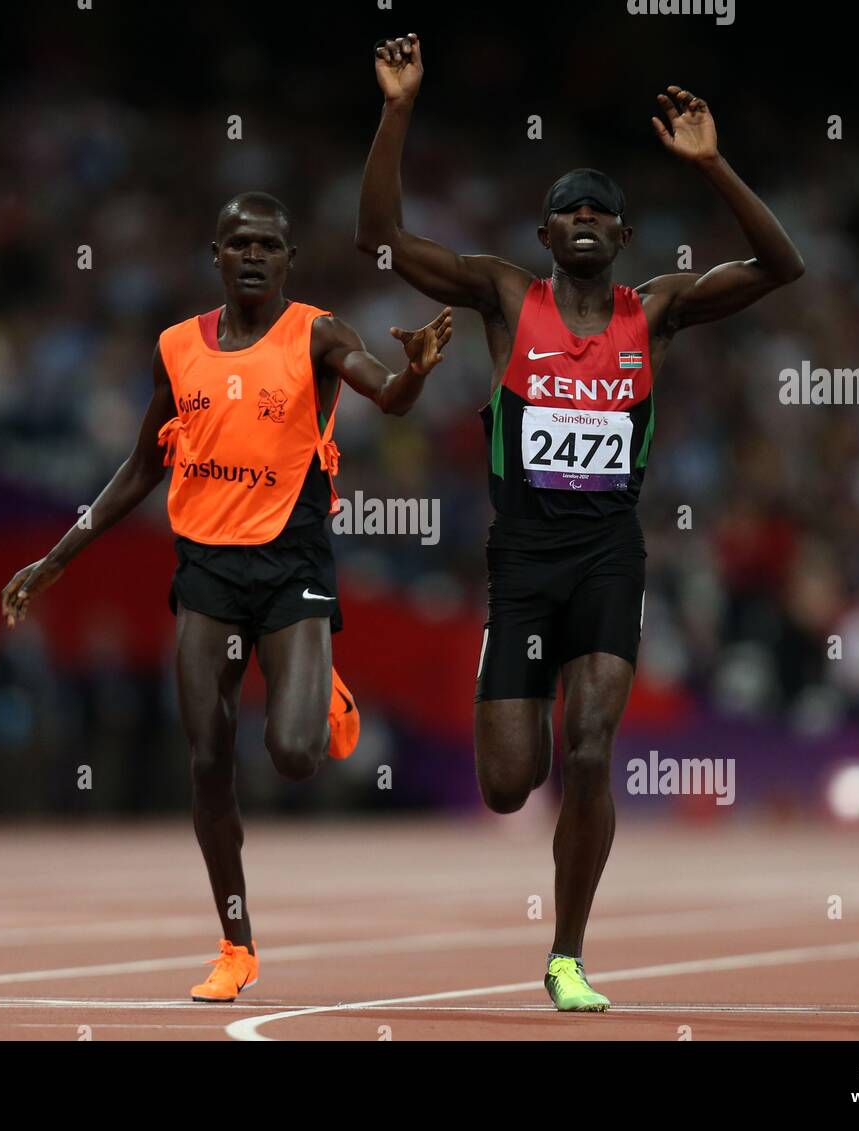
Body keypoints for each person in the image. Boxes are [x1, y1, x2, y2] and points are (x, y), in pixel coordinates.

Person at [357, 34, 803, 1011]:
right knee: (511, 784)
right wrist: (396, 109)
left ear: (625, 234)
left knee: (594, 747)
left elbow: (781, 264)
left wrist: (710, 163)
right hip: (521, 559)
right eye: (570, 212)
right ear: (546, 236)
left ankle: (566, 954)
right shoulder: (502, 294)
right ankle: (514, 744)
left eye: (603, 209)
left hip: (608, 554)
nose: (588, 220)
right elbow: (380, 242)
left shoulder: (661, 308)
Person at [2, 191, 452, 1001]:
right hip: (207, 570)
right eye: (239, 243)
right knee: (208, 762)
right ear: (215, 254)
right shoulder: (176, 347)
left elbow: (386, 394)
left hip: (292, 561)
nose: (253, 255)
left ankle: (326, 695)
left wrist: (415, 369)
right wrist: (57, 556)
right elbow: (141, 467)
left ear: (288, 260)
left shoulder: (317, 334)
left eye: (269, 245)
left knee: (294, 755)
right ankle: (235, 944)